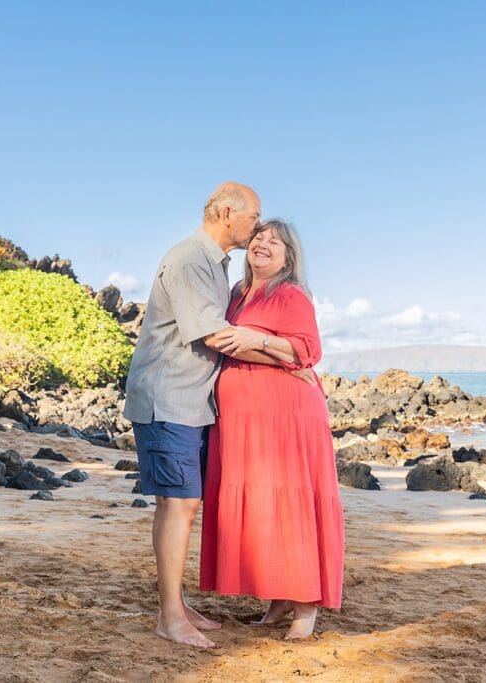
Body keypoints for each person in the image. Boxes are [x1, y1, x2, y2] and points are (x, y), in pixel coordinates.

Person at [124, 181, 291, 648]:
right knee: (179, 504)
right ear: (225, 213)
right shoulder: (189, 259)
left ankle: (175, 605)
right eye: (253, 217)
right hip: (168, 400)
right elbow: (215, 336)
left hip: (192, 404)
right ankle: (169, 617)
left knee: (179, 505)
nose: (257, 227)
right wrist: (285, 358)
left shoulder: (215, 266)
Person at [199, 219, 345, 641]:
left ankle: (305, 607)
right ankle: (278, 599)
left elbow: (308, 351)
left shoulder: (291, 294)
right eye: (259, 237)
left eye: (274, 241)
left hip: (286, 416)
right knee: (263, 505)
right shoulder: (237, 294)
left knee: (290, 503)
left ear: (288, 255)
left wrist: (257, 342)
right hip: (244, 420)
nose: (263, 243)